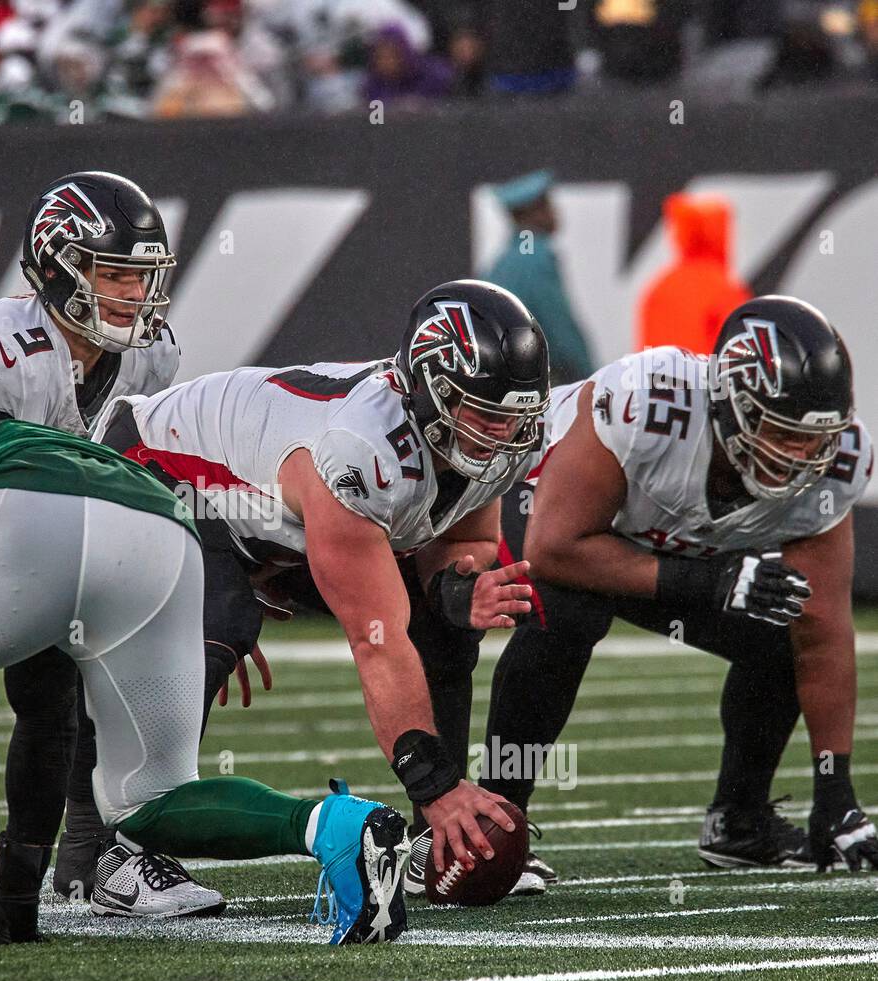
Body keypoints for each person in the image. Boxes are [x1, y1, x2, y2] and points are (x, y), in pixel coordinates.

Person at [0, 353, 415, 960]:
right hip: (157, 519)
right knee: (146, 800)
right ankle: (335, 824)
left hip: (31, 511)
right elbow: (42, 704)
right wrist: (14, 894)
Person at [92, 279, 542, 897]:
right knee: (222, 618)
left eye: (515, 416)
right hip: (153, 468)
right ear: (430, 390)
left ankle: (433, 842)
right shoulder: (361, 448)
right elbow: (376, 640)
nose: (502, 433)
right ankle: (111, 854)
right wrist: (434, 785)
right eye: (485, 413)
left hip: (270, 515)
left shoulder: (504, 439)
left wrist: (453, 593)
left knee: (444, 629)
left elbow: (459, 542)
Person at [0, 171, 227, 939]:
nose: (133, 295)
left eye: (143, 277)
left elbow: (134, 463)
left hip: (55, 534)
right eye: (115, 273)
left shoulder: (149, 355)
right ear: (58, 267)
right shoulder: (0, 349)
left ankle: (32, 886)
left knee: (60, 696)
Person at [480, 296, 878, 883]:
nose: (798, 459)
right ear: (730, 404)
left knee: (782, 625)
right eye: (780, 432)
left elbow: (821, 628)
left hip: (660, 548)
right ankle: (495, 820)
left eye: (812, 442)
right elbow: (556, 548)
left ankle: (740, 822)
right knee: (569, 611)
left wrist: (835, 789)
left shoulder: (837, 465)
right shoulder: (649, 402)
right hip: (542, 508)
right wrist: (712, 582)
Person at [482, 171, 593, 387]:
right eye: (547, 205)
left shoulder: (503, 262)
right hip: (535, 386)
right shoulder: (535, 259)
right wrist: (591, 380)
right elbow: (561, 333)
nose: (555, 212)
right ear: (534, 213)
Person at [638, 193, 751, 355]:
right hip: (707, 378)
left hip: (657, 378)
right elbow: (738, 352)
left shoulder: (659, 286)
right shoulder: (725, 289)